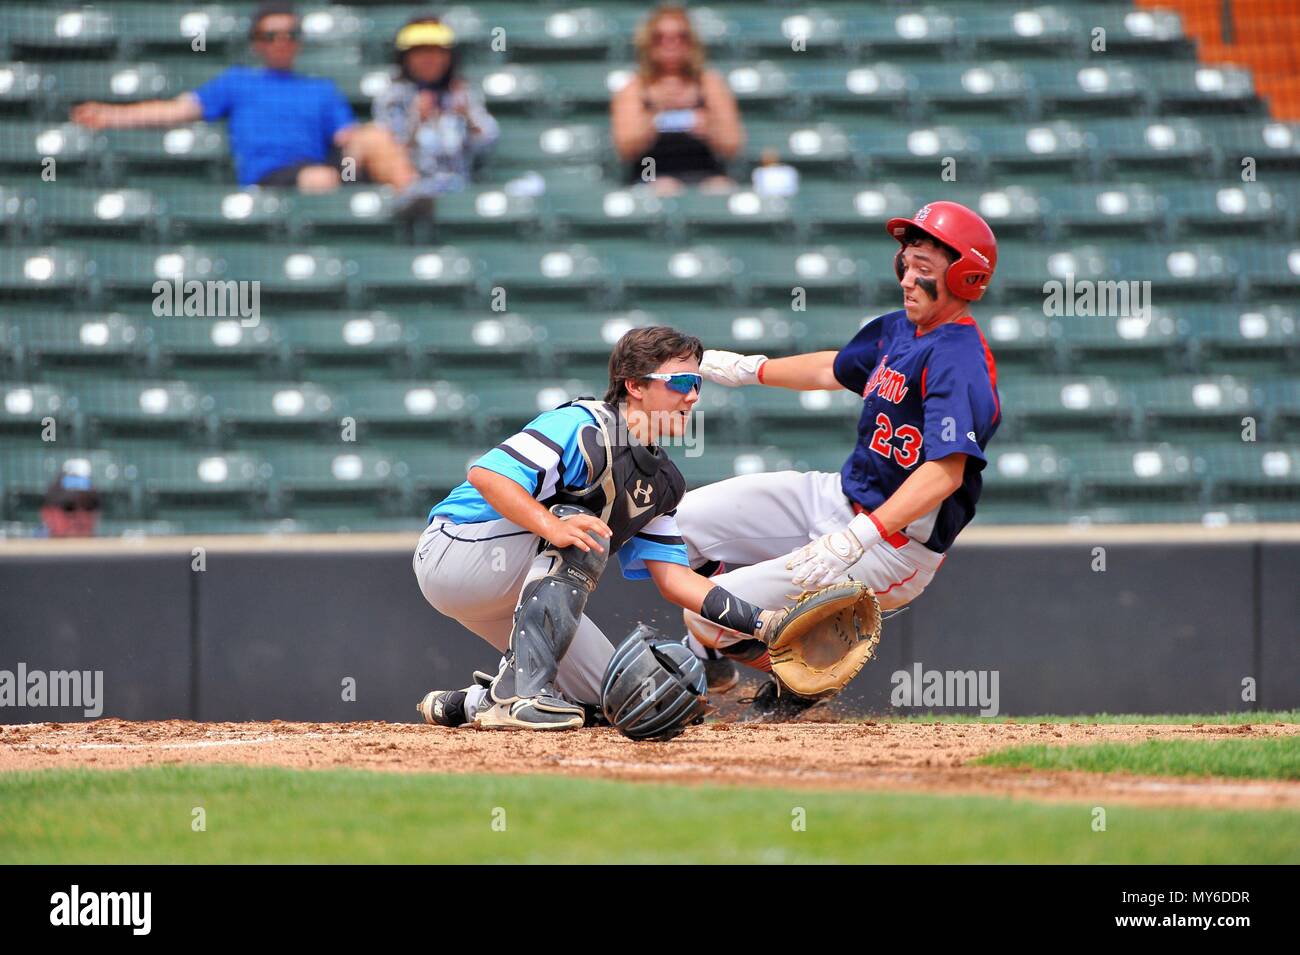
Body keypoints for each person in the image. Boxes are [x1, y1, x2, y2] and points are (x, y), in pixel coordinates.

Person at [678, 201, 1003, 722]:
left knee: (709, 610)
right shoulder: (900, 329)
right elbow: (834, 369)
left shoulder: (958, 358)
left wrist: (860, 536)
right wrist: (751, 369)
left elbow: (947, 471)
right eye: (906, 262)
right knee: (680, 526)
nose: (908, 277)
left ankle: (803, 675)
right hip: (837, 496)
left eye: (925, 268)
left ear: (965, 278)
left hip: (894, 545)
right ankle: (717, 660)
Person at [412, 326, 781, 730]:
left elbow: (675, 580)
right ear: (635, 385)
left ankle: (475, 702)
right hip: (457, 551)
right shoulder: (582, 425)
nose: (693, 395)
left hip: (512, 592)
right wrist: (551, 525)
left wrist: (765, 623)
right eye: (682, 382)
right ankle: (520, 694)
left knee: (625, 701)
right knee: (581, 526)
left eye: (697, 384)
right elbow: (487, 475)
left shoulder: (663, 482)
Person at [71, 2, 425, 202]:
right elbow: (178, 109)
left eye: (291, 34)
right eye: (271, 35)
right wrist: (111, 114)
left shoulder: (321, 89)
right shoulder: (237, 82)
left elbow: (347, 137)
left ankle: (417, 205)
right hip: (272, 177)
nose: (282, 42)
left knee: (374, 136)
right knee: (321, 179)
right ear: (257, 42)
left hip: (326, 170)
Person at [610, 4, 744, 195]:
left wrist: (709, 128)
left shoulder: (709, 84)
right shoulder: (635, 88)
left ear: (691, 43)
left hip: (704, 173)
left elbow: (733, 145)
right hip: (651, 172)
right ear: (649, 43)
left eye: (681, 37)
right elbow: (625, 147)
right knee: (665, 188)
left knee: (720, 189)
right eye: (660, 38)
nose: (671, 43)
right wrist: (655, 117)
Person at [372, 14, 499, 196]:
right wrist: (415, 121)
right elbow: (386, 158)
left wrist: (468, 118)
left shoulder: (462, 92)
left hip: (461, 188)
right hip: (412, 191)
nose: (429, 59)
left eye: (437, 51)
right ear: (406, 57)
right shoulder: (392, 96)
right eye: (421, 51)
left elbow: (488, 143)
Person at [39, 470, 101, 538]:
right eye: (69, 507)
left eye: (89, 507)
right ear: (47, 513)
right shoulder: (29, 546)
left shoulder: (110, 546)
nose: (81, 516)